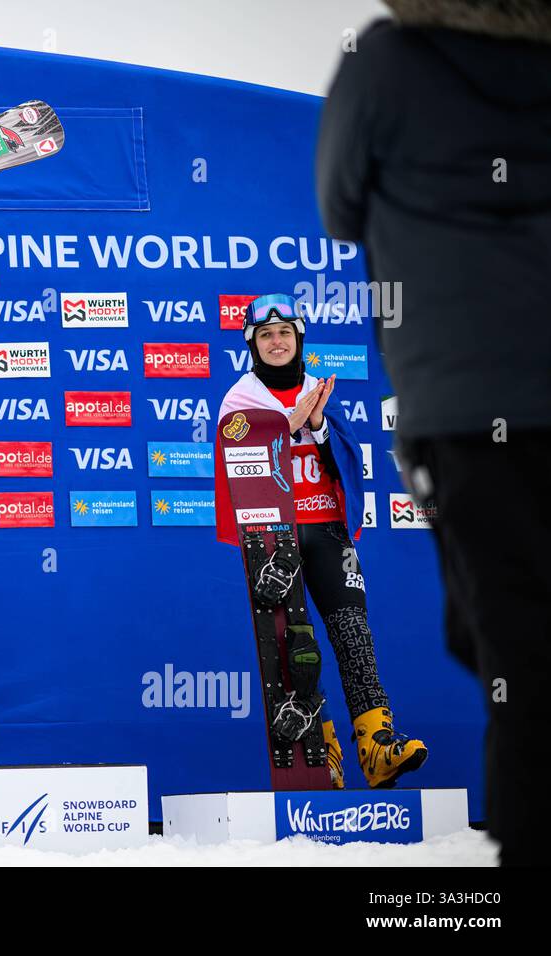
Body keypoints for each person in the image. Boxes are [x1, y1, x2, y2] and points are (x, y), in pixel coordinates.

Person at [316, 0, 551, 863]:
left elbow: (339, 207)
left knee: (514, 644)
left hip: (469, 404)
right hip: (472, 403)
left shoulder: (390, 62)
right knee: (499, 638)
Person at [215, 293, 428, 789]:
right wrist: (285, 428)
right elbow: (236, 465)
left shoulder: (318, 392)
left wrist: (317, 426)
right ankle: (321, 751)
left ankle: (377, 747)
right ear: (252, 342)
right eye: (265, 334)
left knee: (355, 637)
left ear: (298, 340)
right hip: (275, 537)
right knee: (296, 647)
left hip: (327, 529)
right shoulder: (240, 399)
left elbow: (348, 468)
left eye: (285, 333)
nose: (276, 341)